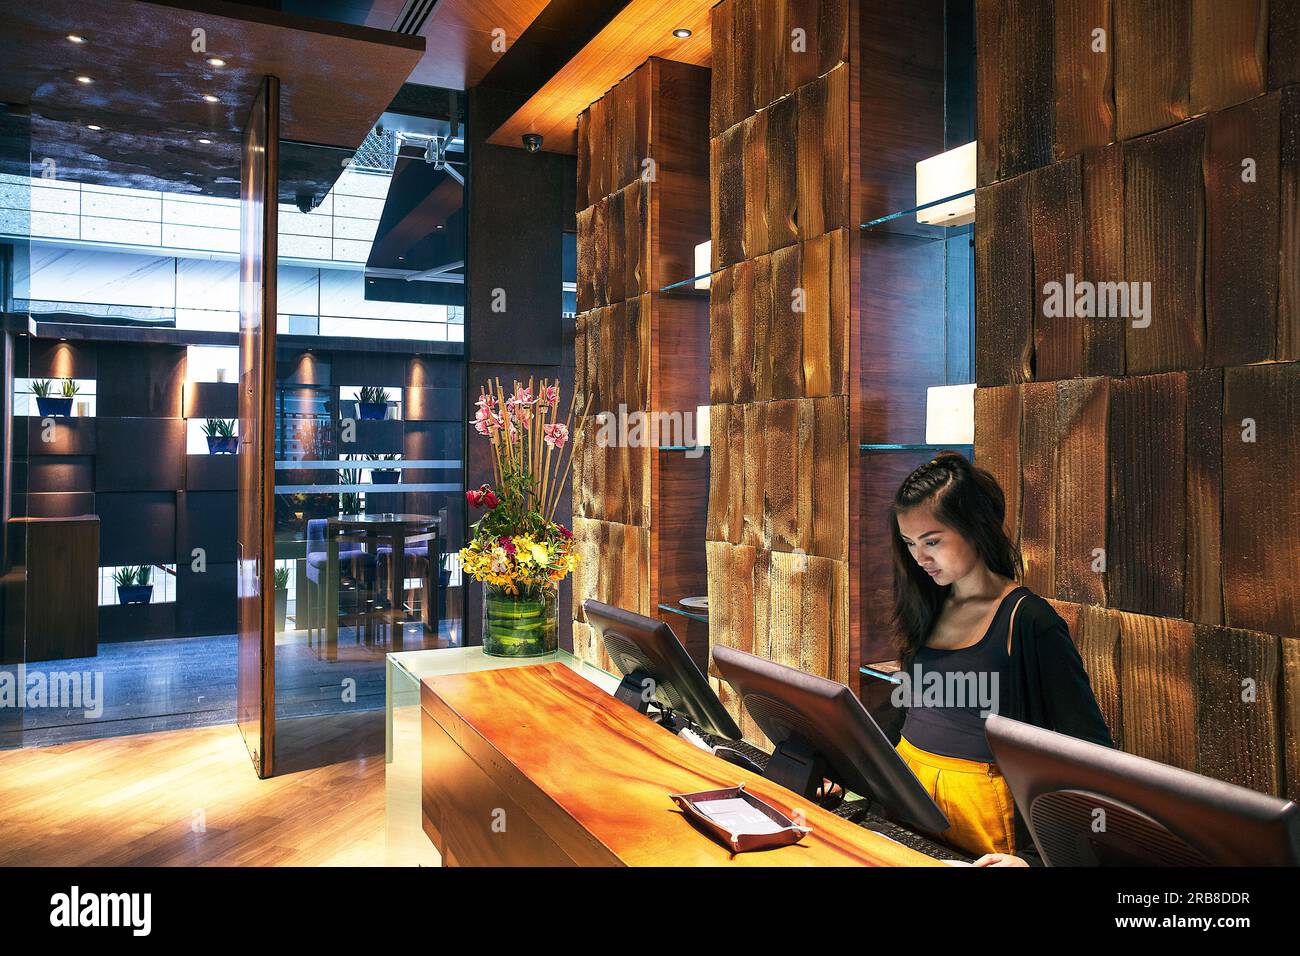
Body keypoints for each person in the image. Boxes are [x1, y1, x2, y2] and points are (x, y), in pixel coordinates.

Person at [889, 451, 1113, 866]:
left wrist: (1033, 858)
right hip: (910, 807)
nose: (920, 558)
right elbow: (911, 711)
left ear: (974, 529)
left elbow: (1091, 754)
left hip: (991, 831)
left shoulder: (1030, 621)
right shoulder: (925, 605)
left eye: (932, 541)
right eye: (910, 544)